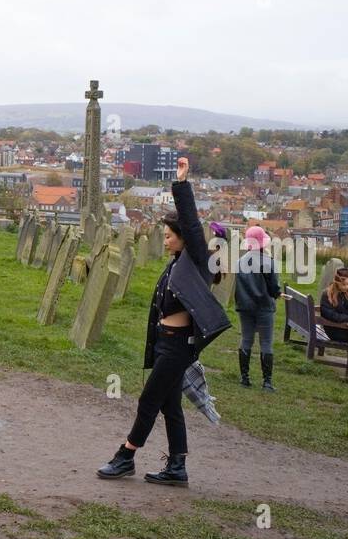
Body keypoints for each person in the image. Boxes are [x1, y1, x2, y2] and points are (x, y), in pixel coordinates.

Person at [97, 157, 230, 487]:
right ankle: (177, 466)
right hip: (164, 343)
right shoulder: (176, 262)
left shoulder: (196, 260)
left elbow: (190, 218)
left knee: (149, 400)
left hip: (178, 346)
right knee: (171, 406)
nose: (166, 239)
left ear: (185, 238)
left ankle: (126, 456)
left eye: (170, 235)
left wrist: (182, 185)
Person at [233, 225, 281, 390]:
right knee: (266, 342)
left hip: (245, 306)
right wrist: (277, 294)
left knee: (246, 339)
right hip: (264, 307)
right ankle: (267, 382)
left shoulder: (239, 262)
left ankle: (244, 378)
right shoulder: (268, 262)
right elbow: (274, 288)